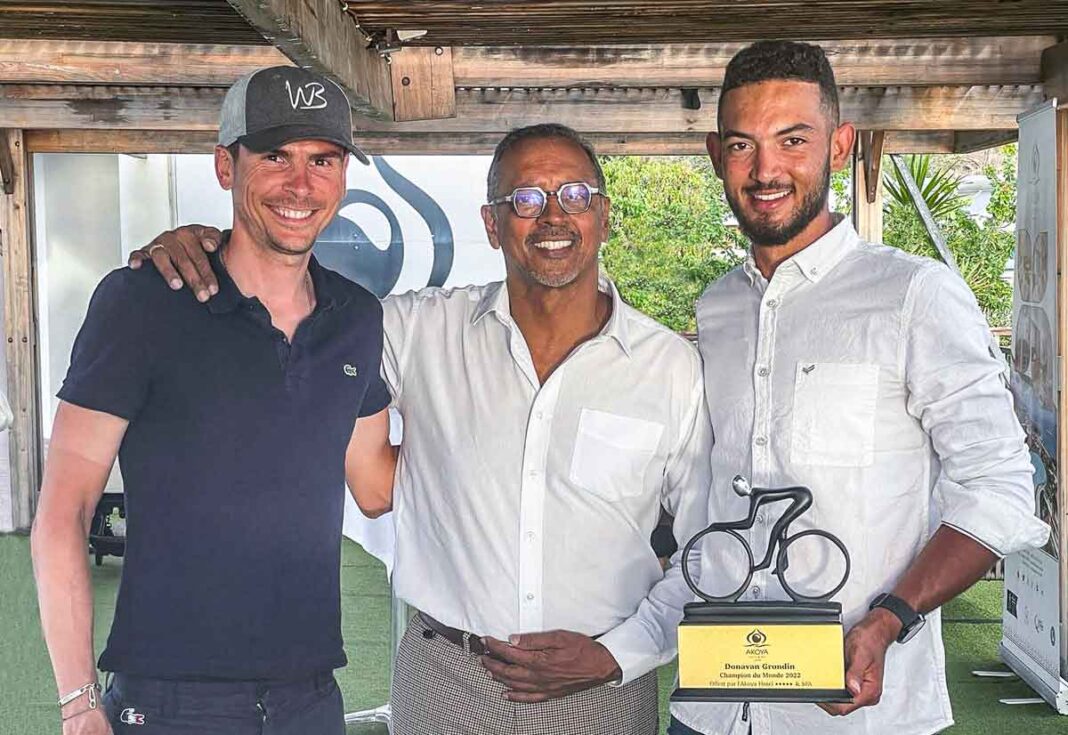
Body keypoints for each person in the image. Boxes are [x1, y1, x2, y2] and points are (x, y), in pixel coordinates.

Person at [131, 123, 713, 735]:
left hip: (603, 693)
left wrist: (620, 655)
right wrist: (213, 250)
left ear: (603, 214)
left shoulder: (668, 367)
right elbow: (292, 319)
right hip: (446, 681)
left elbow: (707, 548)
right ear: (492, 224)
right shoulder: (416, 331)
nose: (551, 218)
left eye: (573, 195)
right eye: (525, 200)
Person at [669, 40, 1050, 735]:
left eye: (792, 140)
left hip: (854, 713)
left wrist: (888, 619)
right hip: (714, 705)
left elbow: (999, 486)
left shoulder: (914, 294)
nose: (766, 170)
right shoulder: (717, 307)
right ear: (714, 154)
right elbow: (705, 487)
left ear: (839, 146)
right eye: (741, 145)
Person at [31, 66, 397, 735]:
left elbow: (375, 482)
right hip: (169, 701)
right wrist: (79, 703)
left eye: (323, 160)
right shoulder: (141, 302)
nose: (301, 184)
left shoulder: (356, 317)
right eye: (275, 157)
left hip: (309, 699)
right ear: (225, 166)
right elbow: (63, 511)